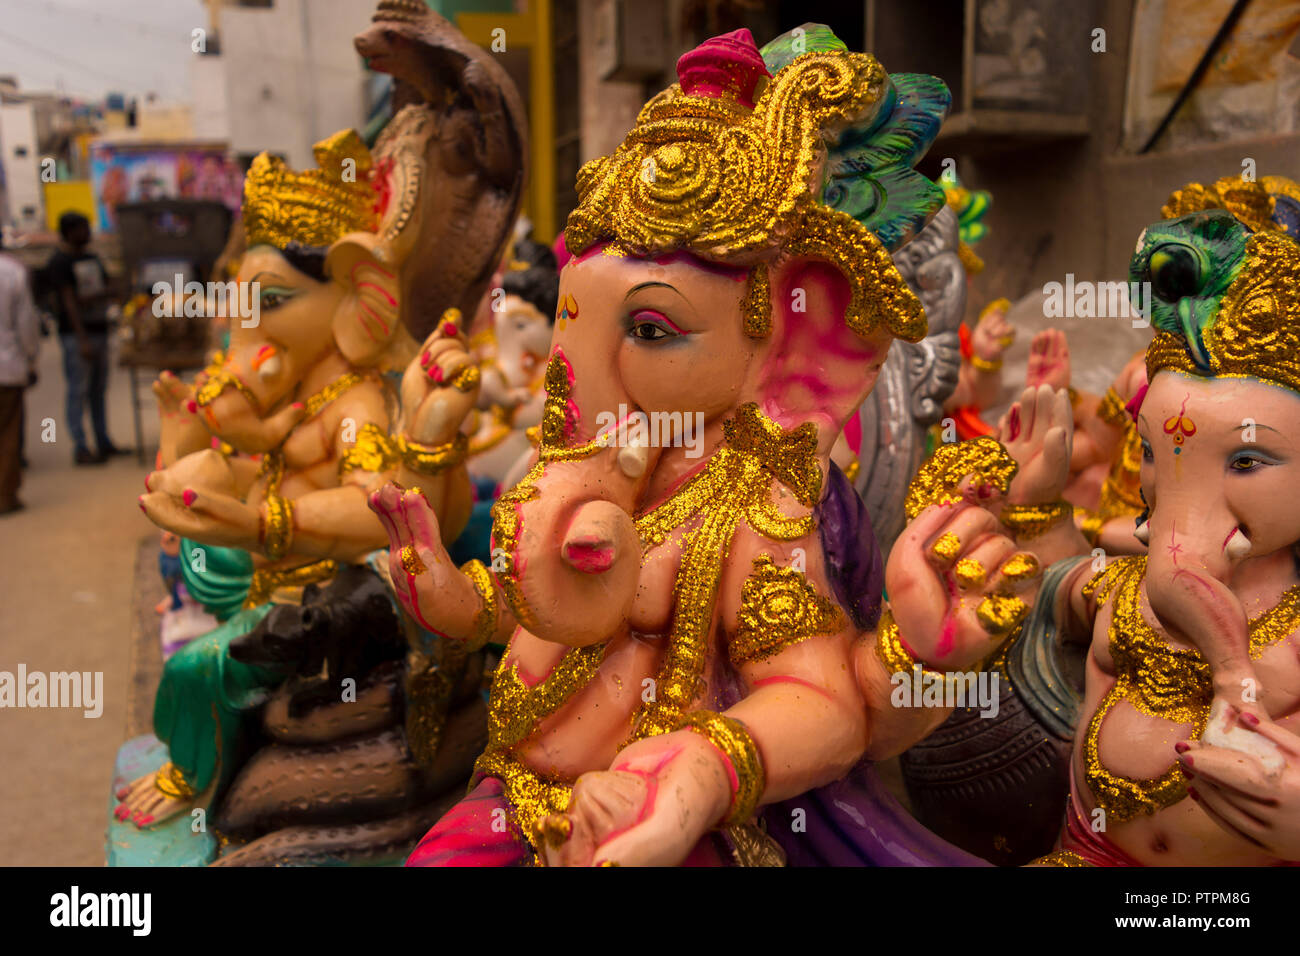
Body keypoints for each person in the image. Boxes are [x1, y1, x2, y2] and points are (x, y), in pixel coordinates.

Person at [46, 211, 125, 464]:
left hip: (99, 330)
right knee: (78, 390)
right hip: (76, 335)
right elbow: (68, 301)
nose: (88, 233)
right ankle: (80, 446)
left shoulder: (92, 258)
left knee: (98, 390)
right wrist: (82, 340)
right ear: (69, 232)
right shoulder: (59, 262)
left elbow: (106, 286)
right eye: (82, 228)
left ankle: (103, 440)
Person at [0, 236, 41, 513]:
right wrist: (30, 358)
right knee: (8, 433)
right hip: (7, 365)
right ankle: (5, 496)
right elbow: (27, 323)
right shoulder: (12, 272)